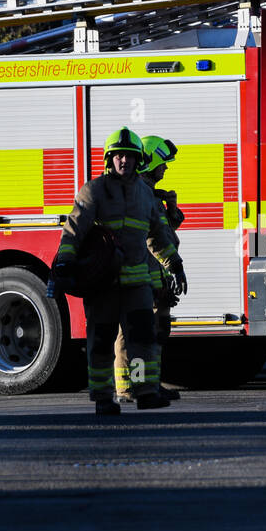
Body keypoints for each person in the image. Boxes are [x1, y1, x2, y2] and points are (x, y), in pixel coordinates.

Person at [51, 127, 186, 415]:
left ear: (138, 160)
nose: (123, 161)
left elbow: (158, 236)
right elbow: (74, 231)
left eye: (129, 156)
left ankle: (145, 391)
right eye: (118, 156)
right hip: (103, 285)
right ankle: (102, 398)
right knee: (101, 343)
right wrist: (64, 260)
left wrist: (175, 264)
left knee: (142, 341)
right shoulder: (94, 191)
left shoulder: (145, 196)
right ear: (109, 159)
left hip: (136, 285)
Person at [115, 136, 182, 403]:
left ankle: (150, 383)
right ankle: (128, 388)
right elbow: (147, 242)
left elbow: (164, 234)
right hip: (141, 279)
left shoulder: (150, 194)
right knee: (132, 335)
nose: (165, 168)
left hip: (156, 277)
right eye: (163, 163)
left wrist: (171, 208)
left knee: (155, 334)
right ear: (151, 161)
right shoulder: (137, 193)